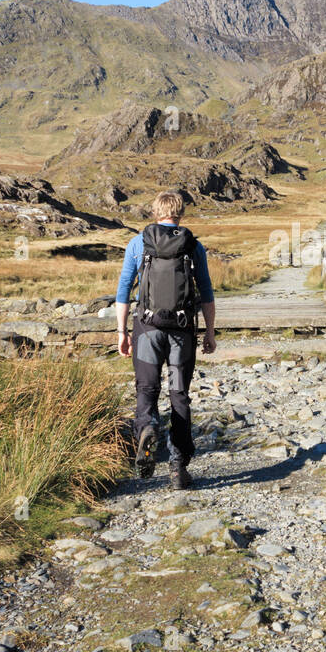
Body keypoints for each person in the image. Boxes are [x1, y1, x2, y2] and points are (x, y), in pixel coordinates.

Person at [115, 190, 216, 488]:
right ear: (180, 212)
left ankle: (147, 428)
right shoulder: (193, 245)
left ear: (156, 211)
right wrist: (209, 332)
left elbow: (123, 289)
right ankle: (177, 466)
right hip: (182, 333)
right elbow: (206, 292)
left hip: (147, 329)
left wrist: (122, 332)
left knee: (146, 389)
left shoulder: (138, 243)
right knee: (179, 394)